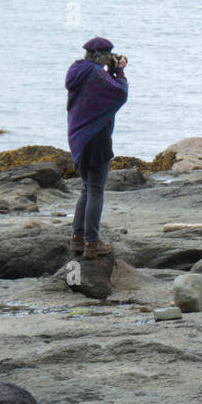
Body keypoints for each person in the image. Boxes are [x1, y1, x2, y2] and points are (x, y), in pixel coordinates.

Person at [66, 36, 128, 257]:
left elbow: (102, 94)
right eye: (109, 54)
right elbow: (119, 94)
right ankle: (92, 243)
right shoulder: (95, 74)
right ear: (103, 55)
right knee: (95, 191)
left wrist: (110, 72)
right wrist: (119, 72)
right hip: (96, 138)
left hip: (78, 138)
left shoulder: (77, 70)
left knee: (85, 188)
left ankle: (77, 238)